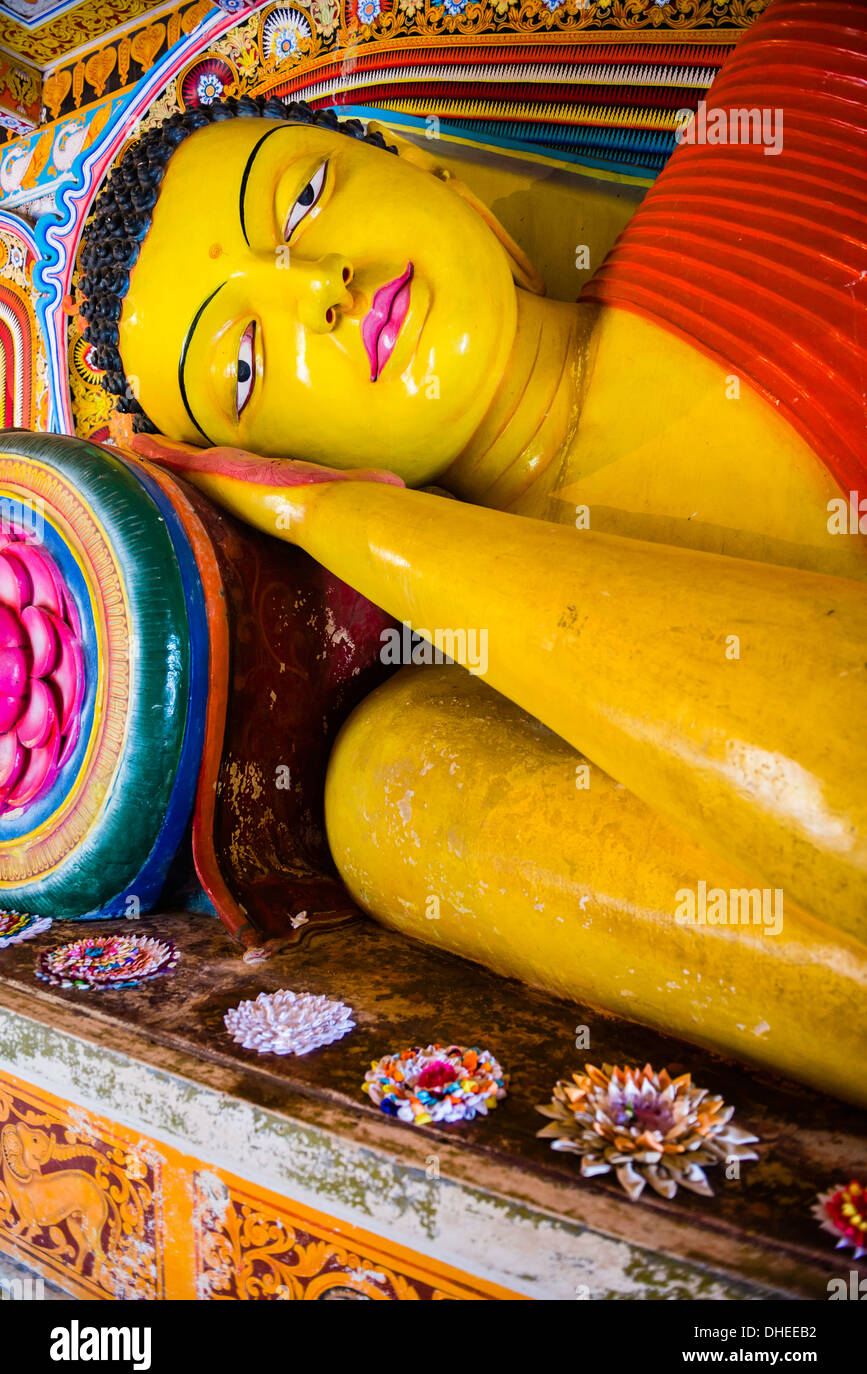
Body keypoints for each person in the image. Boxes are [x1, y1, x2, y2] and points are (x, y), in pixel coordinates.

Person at [79, 0, 867, 1104]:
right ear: (260, 461)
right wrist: (343, 520)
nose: (321, 288)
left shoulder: (796, 124)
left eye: (302, 199)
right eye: (246, 363)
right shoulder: (413, 758)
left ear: (434, 181)